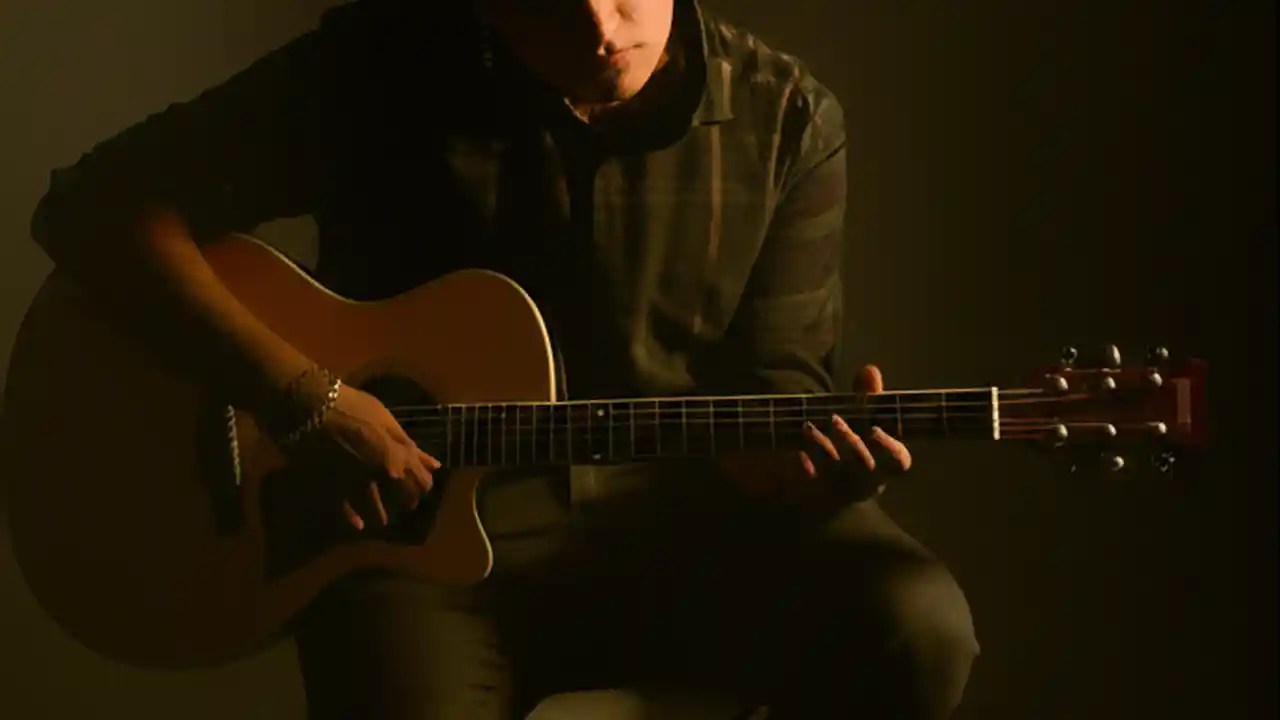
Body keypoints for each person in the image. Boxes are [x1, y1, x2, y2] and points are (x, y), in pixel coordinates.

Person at [29, 0, 979, 717]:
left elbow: (778, 381)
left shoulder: (791, 119)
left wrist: (804, 475)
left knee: (916, 625)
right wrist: (297, 396)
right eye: (551, 2)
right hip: (417, 551)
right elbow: (94, 206)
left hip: (688, 531)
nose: (603, 29)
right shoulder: (380, 66)